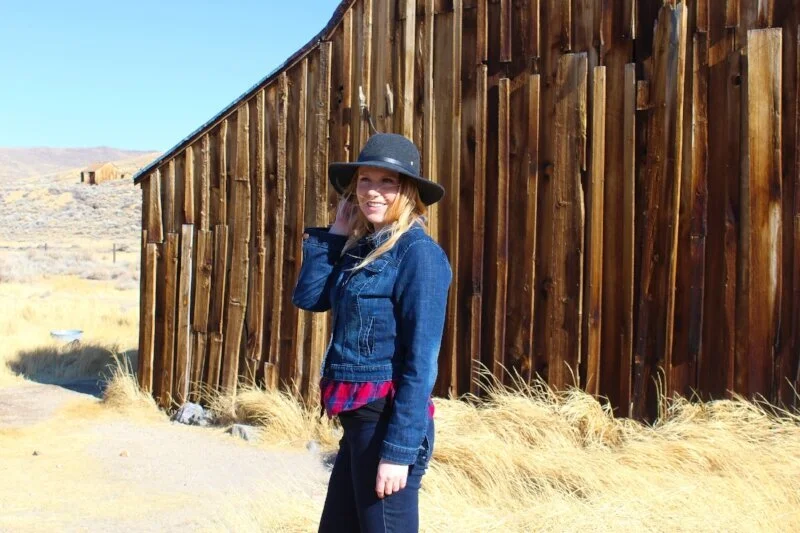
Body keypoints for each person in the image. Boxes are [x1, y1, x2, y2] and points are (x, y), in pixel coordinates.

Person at [292, 133, 452, 532]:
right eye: (365, 180)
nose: (373, 192)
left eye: (387, 182)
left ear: (408, 192)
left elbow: (421, 362)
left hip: (385, 422)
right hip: (357, 421)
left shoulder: (419, 255)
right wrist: (335, 234)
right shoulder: (361, 249)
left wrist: (398, 451)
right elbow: (310, 298)